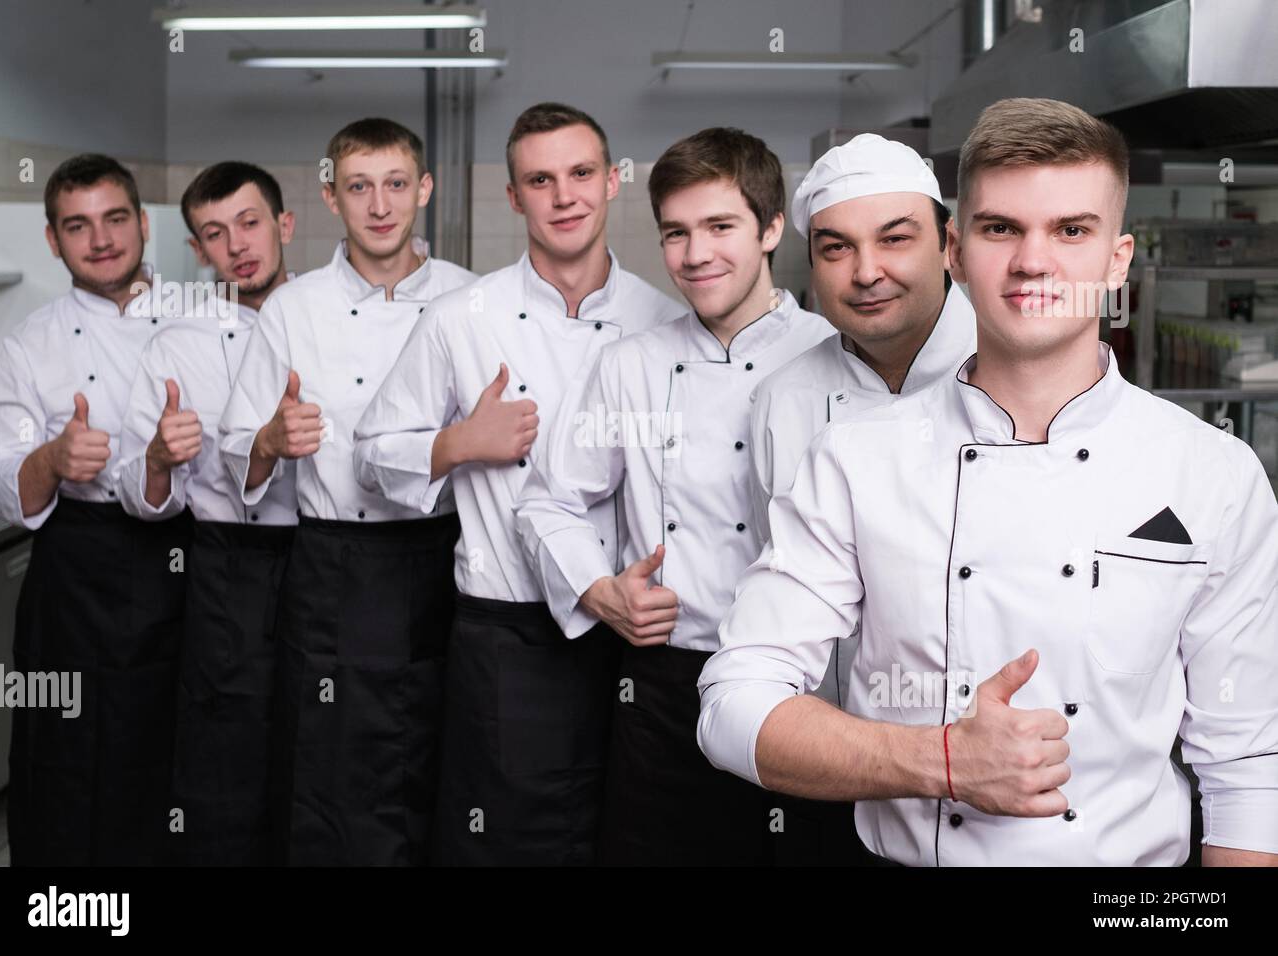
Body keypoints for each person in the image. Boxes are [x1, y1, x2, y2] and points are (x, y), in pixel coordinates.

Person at [697, 98, 1278, 866]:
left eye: (1072, 230)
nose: (1034, 261)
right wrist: (942, 763)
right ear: (956, 249)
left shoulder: (1213, 473)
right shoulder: (855, 459)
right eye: (1001, 228)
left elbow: (1246, 766)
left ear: (1117, 259)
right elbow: (733, 705)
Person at [354, 102, 683, 865]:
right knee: (500, 837)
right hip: (506, 635)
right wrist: (456, 444)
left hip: (635, 634)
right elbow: (372, 453)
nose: (563, 196)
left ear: (611, 183)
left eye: (579, 174)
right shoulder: (459, 318)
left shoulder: (662, 319)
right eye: (540, 179)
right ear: (513, 197)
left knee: (623, 829)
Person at [516, 127, 834, 865]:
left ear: (772, 230)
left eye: (721, 227)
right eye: (676, 234)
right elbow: (547, 500)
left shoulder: (831, 356)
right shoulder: (630, 366)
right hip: (661, 687)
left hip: (801, 687)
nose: (696, 255)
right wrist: (598, 590)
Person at [218, 118, 475, 865]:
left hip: (440, 560)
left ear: (423, 189)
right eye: (359, 187)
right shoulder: (293, 310)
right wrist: (268, 439)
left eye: (396, 184)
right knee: (328, 761)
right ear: (332, 197)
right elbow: (237, 452)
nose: (380, 205)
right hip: (331, 567)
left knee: (432, 747)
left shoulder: (471, 299)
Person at [748, 134, 975, 864]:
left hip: (987, 782)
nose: (866, 272)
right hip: (827, 766)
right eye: (836, 248)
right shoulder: (783, 400)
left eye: (895, 240)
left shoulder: (1014, 368)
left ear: (949, 244)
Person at [0, 154, 190, 865]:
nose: (100, 240)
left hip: (183, 571)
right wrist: (50, 461)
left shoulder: (204, 326)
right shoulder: (28, 343)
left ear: (142, 225)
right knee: (63, 758)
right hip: (74, 573)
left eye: (114, 219)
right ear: (52, 240)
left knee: (170, 753)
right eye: (78, 226)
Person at [116, 161, 298, 865]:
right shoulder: (176, 344)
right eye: (215, 234)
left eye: (250, 224)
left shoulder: (329, 324)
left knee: (327, 751)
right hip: (227, 572)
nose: (238, 246)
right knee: (227, 754)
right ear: (197, 250)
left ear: (283, 225)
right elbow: (137, 491)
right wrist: (159, 459)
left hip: (331, 560)